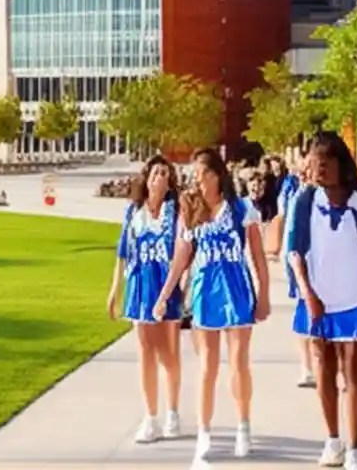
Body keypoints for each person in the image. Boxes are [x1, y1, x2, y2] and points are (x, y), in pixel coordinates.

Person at [155, 148, 269, 462]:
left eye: (205, 173)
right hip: (205, 292)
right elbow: (181, 255)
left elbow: (258, 257)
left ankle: (243, 426)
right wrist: (165, 295)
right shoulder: (189, 209)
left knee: (239, 363)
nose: (200, 180)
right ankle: (204, 433)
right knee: (206, 366)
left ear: (218, 175)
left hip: (236, 289)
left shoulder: (241, 208)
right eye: (195, 174)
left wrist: (264, 296)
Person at [285, 132, 357, 470]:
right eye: (314, 163)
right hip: (317, 294)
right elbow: (295, 252)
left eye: (325, 164)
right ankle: (333, 440)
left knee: (354, 368)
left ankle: (355, 447)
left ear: (341, 166)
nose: (318, 170)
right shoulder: (303, 201)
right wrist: (308, 294)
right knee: (323, 365)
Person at [107, 156, 184, 443]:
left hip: (165, 285)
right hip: (139, 285)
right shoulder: (133, 212)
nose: (159, 177)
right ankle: (150, 417)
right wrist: (115, 290)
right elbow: (122, 253)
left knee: (168, 353)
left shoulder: (175, 212)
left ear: (169, 181)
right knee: (145, 352)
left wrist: (179, 287)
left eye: (165, 173)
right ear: (147, 178)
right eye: (155, 172)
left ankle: (173, 411)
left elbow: (182, 253)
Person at [275, 159, 315, 388]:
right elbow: (291, 236)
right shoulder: (301, 197)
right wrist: (292, 271)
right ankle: (307, 367)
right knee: (304, 317)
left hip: (326, 263)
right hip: (306, 261)